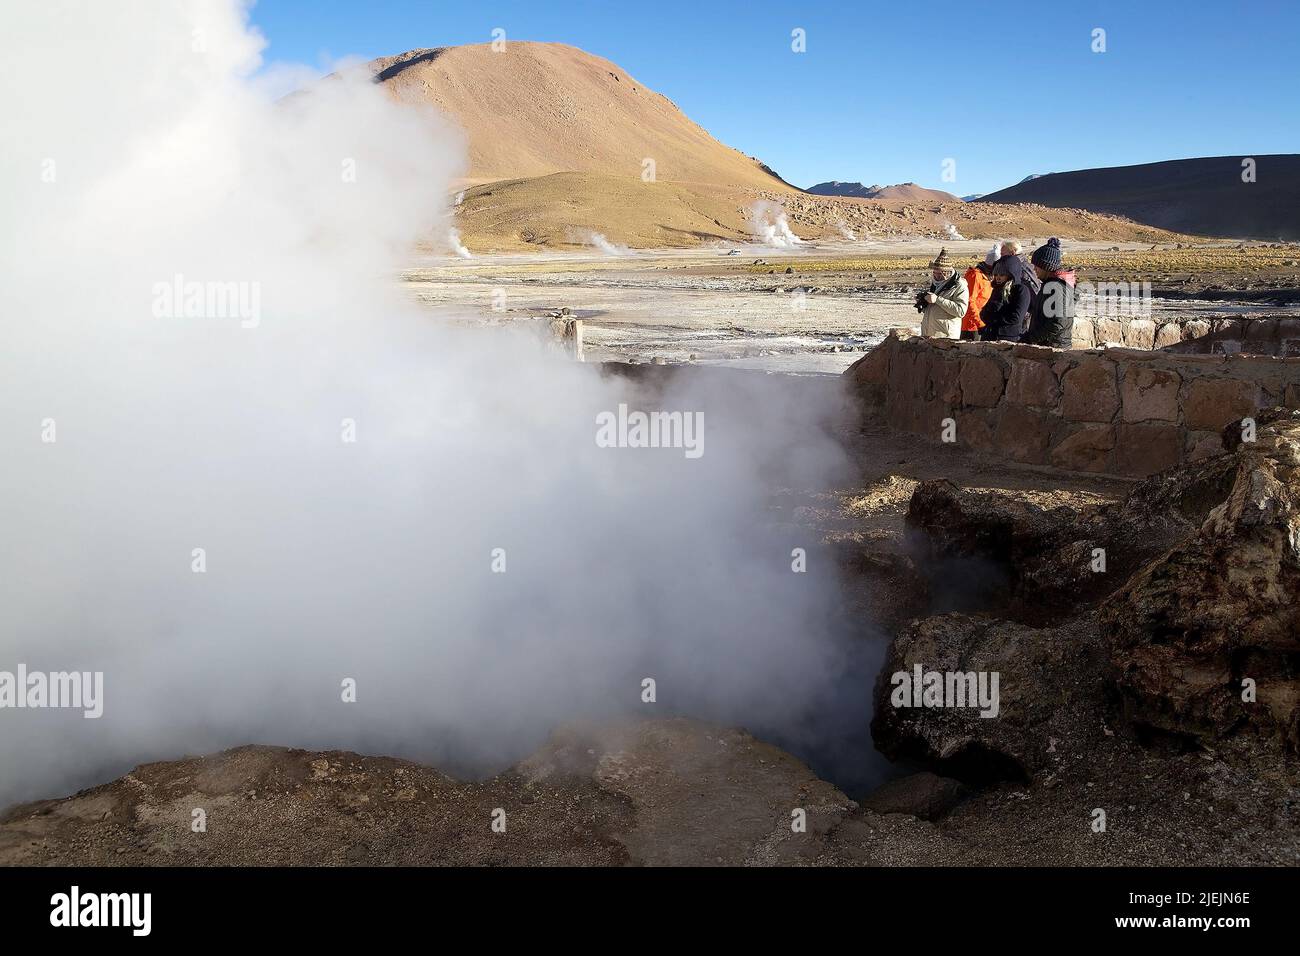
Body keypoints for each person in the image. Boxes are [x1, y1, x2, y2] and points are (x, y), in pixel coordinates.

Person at [1022, 237, 1076, 348]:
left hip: (1053, 348)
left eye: (1037, 266)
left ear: (1046, 267)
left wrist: (1032, 338)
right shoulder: (1050, 284)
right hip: (1050, 345)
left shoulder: (1056, 287)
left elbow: (1058, 322)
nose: (1034, 270)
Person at [978, 251, 1033, 341]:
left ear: (1011, 274)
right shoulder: (997, 289)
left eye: (1002, 275)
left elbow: (1016, 317)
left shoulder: (1021, 290)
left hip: (1008, 338)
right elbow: (984, 312)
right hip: (989, 335)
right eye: (996, 275)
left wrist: (994, 320)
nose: (998, 278)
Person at [917, 248, 969, 339]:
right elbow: (935, 308)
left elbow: (960, 311)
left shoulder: (959, 286)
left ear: (948, 272)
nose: (937, 276)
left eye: (940, 274)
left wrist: (937, 299)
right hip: (929, 334)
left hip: (946, 337)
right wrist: (924, 302)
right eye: (935, 273)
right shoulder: (935, 283)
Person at [960, 249, 995, 340]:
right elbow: (970, 301)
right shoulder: (976, 276)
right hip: (971, 325)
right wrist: (979, 322)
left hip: (980, 323)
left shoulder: (988, 277)